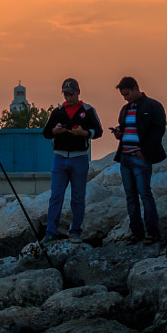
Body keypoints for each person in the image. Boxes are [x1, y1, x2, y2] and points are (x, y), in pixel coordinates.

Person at [41, 78, 103, 244]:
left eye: (70, 93)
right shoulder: (57, 111)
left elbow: (98, 131)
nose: (67, 97)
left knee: (78, 197)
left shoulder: (88, 110)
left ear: (78, 92)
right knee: (56, 196)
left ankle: (75, 231)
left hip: (79, 159)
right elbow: (46, 132)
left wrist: (83, 133)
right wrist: (56, 130)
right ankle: (51, 232)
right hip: (60, 158)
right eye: (65, 94)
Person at [110, 76, 167, 245]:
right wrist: (119, 133)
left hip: (140, 158)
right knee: (130, 197)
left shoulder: (153, 106)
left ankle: (152, 232)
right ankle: (136, 232)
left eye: (127, 94)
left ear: (136, 88)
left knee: (145, 194)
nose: (125, 97)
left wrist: (145, 151)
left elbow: (158, 132)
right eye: (123, 95)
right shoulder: (125, 109)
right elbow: (127, 129)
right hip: (125, 158)